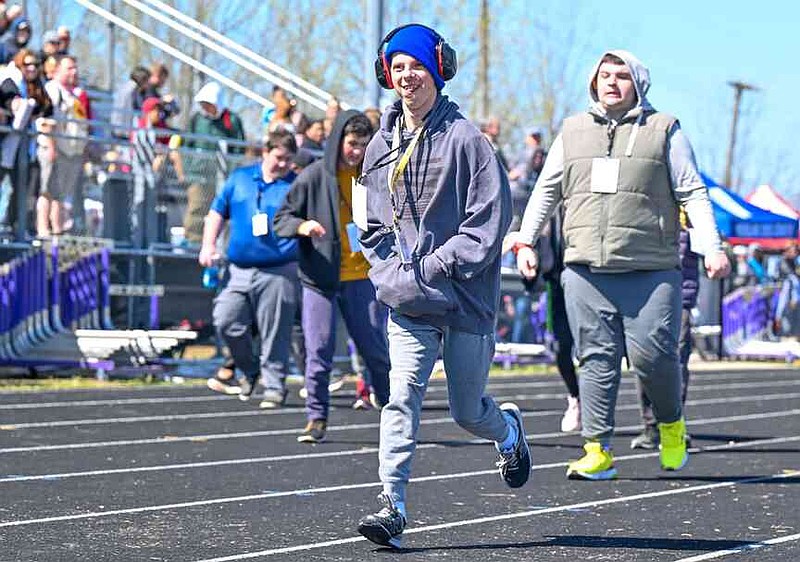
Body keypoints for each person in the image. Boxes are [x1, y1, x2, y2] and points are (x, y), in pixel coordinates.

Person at [511, 50, 730, 480]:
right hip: (584, 269)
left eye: (621, 76)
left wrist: (711, 247)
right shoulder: (572, 131)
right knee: (594, 359)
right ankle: (597, 449)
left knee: (653, 357)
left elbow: (692, 192)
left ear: (639, 84)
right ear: (593, 82)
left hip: (651, 269)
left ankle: (670, 425)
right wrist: (525, 239)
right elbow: (547, 190)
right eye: (604, 75)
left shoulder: (664, 129)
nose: (611, 83)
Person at [354, 24, 530, 548]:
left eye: (417, 65)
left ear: (438, 69)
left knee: (466, 410)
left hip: (464, 299)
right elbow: (371, 229)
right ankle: (392, 505)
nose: (408, 76)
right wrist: (393, 277)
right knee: (400, 398)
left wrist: (432, 267)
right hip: (408, 302)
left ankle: (508, 431)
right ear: (388, 74)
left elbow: (488, 225)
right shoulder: (380, 147)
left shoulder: (469, 142)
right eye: (398, 67)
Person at [274, 110, 391, 444]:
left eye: (363, 145)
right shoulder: (313, 177)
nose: (355, 151)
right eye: (352, 144)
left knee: (375, 350)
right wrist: (303, 226)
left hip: (362, 278)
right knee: (319, 350)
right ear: (338, 140)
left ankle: (391, 411)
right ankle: (316, 418)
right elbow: (282, 217)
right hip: (320, 279)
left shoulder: (373, 178)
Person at [199, 131, 299, 408]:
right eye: (279, 157)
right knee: (225, 320)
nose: (283, 164)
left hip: (279, 269)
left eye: (288, 160)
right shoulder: (240, 179)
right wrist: (208, 245)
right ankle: (249, 367)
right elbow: (217, 212)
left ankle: (275, 386)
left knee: (275, 330)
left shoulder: (296, 184)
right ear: (265, 151)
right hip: (238, 268)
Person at [631, 214, 699, 449]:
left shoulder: (693, 208)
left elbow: (713, 244)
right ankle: (651, 427)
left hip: (681, 295)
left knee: (677, 360)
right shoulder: (647, 209)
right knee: (645, 358)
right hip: (646, 294)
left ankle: (674, 423)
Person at [180, 81, 246, 244]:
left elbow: (238, 147)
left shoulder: (231, 119)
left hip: (224, 175)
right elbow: (187, 144)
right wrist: (188, 169)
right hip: (199, 174)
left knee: (223, 210)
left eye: (209, 104)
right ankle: (193, 242)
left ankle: (223, 243)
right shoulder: (197, 119)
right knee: (197, 208)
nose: (206, 108)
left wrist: (232, 170)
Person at [41, 54, 89, 235]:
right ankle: (43, 229)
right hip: (55, 148)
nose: (74, 72)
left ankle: (57, 229)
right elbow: (46, 121)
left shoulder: (76, 95)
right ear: (57, 70)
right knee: (47, 191)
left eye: (75, 68)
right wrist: (52, 147)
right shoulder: (52, 89)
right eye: (69, 68)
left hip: (72, 151)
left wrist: (83, 149)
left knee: (60, 194)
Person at [111, 66, 149, 138]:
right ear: (142, 79)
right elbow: (139, 110)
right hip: (124, 131)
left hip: (116, 128)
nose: (148, 84)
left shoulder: (124, 86)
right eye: (147, 81)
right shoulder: (134, 89)